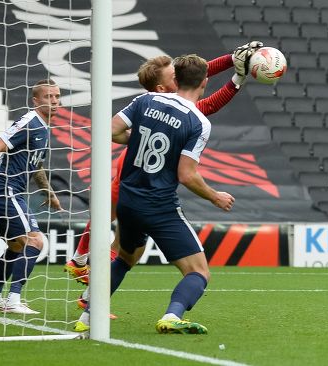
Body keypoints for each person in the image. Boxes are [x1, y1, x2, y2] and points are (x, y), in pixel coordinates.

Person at [64, 43, 261, 287]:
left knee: (122, 241)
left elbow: (198, 72)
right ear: (164, 87)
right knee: (122, 247)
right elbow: (207, 102)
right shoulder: (171, 109)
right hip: (138, 178)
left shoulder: (159, 102)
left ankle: (81, 264)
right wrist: (237, 78)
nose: (179, 76)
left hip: (133, 170)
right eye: (173, 76)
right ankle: (85, 278)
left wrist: (233, 59)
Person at [74, 54, 234, 334]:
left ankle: (87, 317)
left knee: (125, 258)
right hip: (159, 207)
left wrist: (135, 138)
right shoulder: (198, 122)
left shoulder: (144, 101)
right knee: (198, 272)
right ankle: (172, 316)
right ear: (205, 82)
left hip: (127, 201)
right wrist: (215, 196)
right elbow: (187, 175)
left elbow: (109, 131)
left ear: (175, 79)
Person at [0, 79, 62, 314]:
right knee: (35, 241)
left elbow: (36, 165)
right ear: (35, 100)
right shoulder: (30, 121)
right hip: (4, 188)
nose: (53, 101)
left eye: (56, 97)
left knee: (15, 246)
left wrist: (48, 192)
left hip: (11, 191)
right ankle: (13, 299)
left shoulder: (44, 127)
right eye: (47, 97)